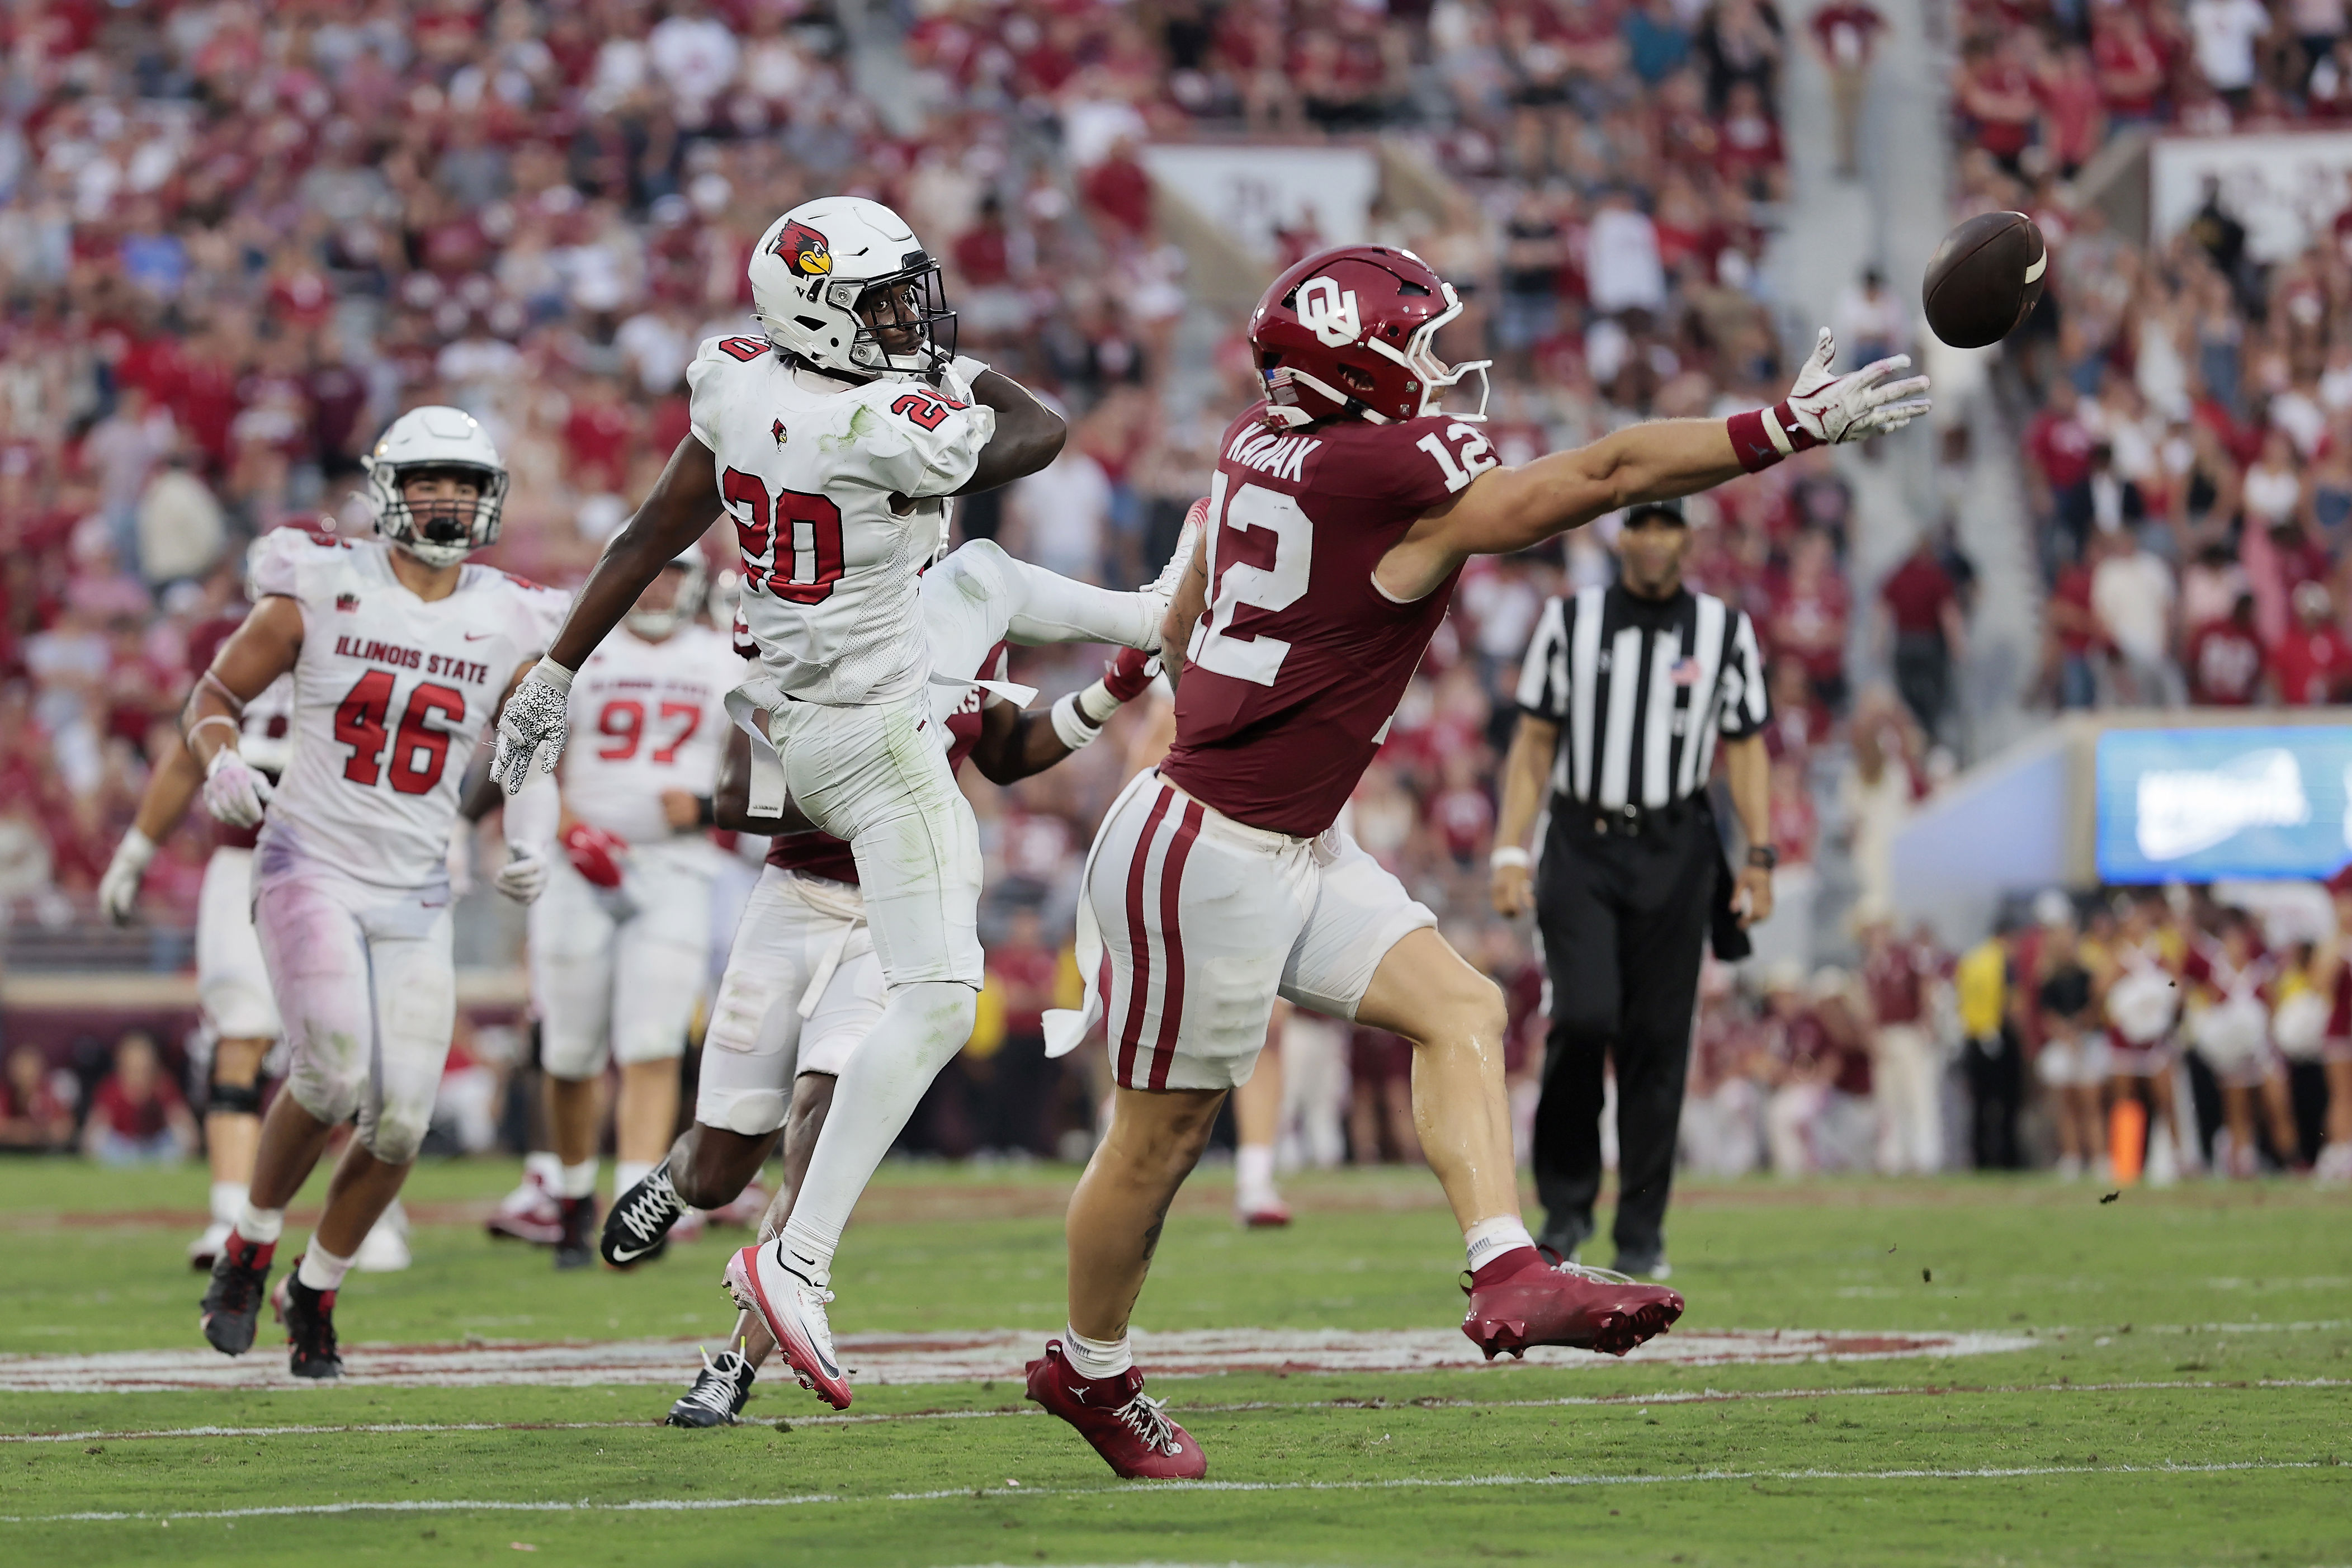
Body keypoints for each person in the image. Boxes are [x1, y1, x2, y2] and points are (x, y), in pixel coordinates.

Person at [1031, 248, 1927, 1480]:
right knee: (1157, 1144)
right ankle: (1087, 1369)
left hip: (1291, 835)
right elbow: (1605, 473)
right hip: (1208, 847)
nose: (1444, 369)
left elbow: (1221, 554)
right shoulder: (1386, 475)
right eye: (1422, 344)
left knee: (1461, 1007)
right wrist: (1777, 426)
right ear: (1359, 369)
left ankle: (1507, 1264)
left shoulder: (1266, 437)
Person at [489, 194, 1175, 1413]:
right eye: (885, 302)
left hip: (809, 709)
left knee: (980, 577)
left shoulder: (741, 382)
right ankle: (792, 1259)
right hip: (867, 734)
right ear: (817, 314)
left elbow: (652, 530)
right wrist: (941, 363)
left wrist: (558, 664)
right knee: (929, 1003)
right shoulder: (881, 422)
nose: (910, 318)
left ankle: (1155, 619)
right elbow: (1039, 429)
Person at [632, 561, 1164, 1428]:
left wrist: (1107, 692)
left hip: (893, 912)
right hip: (793, 903)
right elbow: (735, 794)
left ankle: (733, 1365)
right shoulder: (804, 609)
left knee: (819, 1119)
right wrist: (876, 791)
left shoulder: (967, 613)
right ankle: (677, 1177)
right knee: (720, 1163)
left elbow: (1000, 753)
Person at [190, 407, 565, 1379]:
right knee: (332, 1074)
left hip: (416, 884)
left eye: (467, 483)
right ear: (388, 488)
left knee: (401, 1119)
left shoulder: (508, 613)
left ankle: (313, 1286)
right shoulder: (321, 583)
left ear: (491, 498)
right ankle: (250, 1241)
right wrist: (220, 756)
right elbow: (213, 695)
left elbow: (526, 743)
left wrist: (525, 834)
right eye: (431, 479)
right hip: (307, 859)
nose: (450, 499)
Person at [98, 533, 413, 1272]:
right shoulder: (236, 652)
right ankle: (230, 1211)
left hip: (335, 864)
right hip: (241, 864)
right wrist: (137, 850)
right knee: (240, 1034)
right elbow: (188, 746)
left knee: (353, 1048)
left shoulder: (371, 645)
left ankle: (368, 1212)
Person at [1494, 496, 1775, 1274]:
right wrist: (1508, 851)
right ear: (1621, 535)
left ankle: (1642, 1230)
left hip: (1676, 845)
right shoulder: (1569, 622)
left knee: (1659, 1041)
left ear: (1686, 536)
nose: (1652, 539)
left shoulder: (1722, 630)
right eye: (1640, 524)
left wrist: (1759, 855)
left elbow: (1746, 746)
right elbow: (1533, 743)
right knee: (1581, 1019)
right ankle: (1565, 1205)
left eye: (1665, 525)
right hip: (1581, 843)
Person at [519, 546, 739, 1268]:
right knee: (571, 1049)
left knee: (654, 1043)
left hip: (676, 865)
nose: (660, 585)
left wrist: (705, 806)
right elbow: (526, 759)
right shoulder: (580, 650)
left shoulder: (723, 658)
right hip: (580, 867)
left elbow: (764, 766)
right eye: (650, 570)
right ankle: (574, 1195)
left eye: (674, 571)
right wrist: (568, 828)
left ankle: (631, 1209)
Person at [2033, 895, 2107, 1180]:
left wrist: (2077, 1029)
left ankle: (2099, 1157)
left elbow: (2095, 1008)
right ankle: (2072, 1156)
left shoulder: (2087, 973)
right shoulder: (2049, 978)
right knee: (2066, 1104)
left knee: (2090, 1102)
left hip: (2087, 1041)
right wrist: (2064, 1033)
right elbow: (2047, 1013)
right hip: (2065, 1043)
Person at [1954, 919, 2022, 1169]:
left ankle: (1980, 1158)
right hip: (1999, 1035)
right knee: (2006, 1104)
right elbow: (2013, 1002)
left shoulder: (1971, 959)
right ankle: (2006, 1160)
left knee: (1979, 1105)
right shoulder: (2002, 960)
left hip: (1974, 1037)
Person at [80, 1031, 199, 1165]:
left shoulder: (163, 1086)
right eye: (133, 1069)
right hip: (123, 1149)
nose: (138, 1078)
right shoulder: (112, 1089)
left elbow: (185, 1126)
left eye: (144, 1070)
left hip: (156, 1148)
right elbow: (93, 1131)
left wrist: (187, 1146)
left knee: (176, 1142)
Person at [1808, 0, 1886, 177]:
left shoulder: (1864, 13)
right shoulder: (1829, 14)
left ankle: (1855, 158)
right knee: (1842, 116)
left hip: (1857, 69)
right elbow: (1806, 32)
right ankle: (1845, 160)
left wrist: (1873, 53)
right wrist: (1821, 57)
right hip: (1839, 69)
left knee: (1856, 116)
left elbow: (1887, 30)